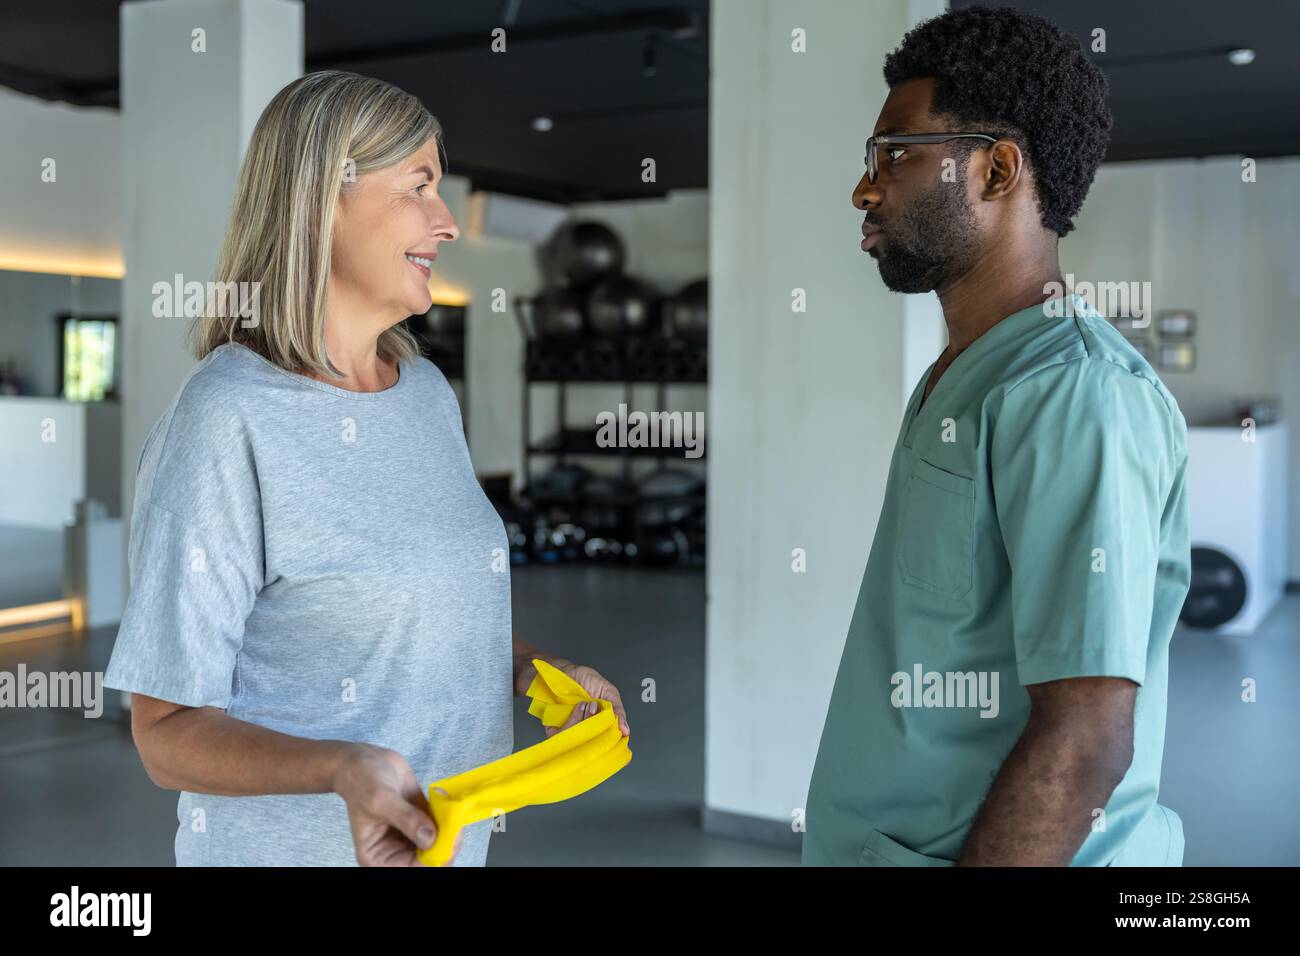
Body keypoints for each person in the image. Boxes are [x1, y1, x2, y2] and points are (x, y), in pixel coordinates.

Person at [104, 70, 629, 867]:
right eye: (419, 186)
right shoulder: (224, 419)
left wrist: (535, 672)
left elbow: (419, 615)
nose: (447, 223)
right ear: (322, 201)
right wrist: (339, 768)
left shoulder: (424, 394)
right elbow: (166, 733)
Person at [804, 7, 1189, 866]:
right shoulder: (966, 371)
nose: (866, 189)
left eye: (896, 153)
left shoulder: (1073, 395)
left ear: (998, 169)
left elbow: (1086, 738)